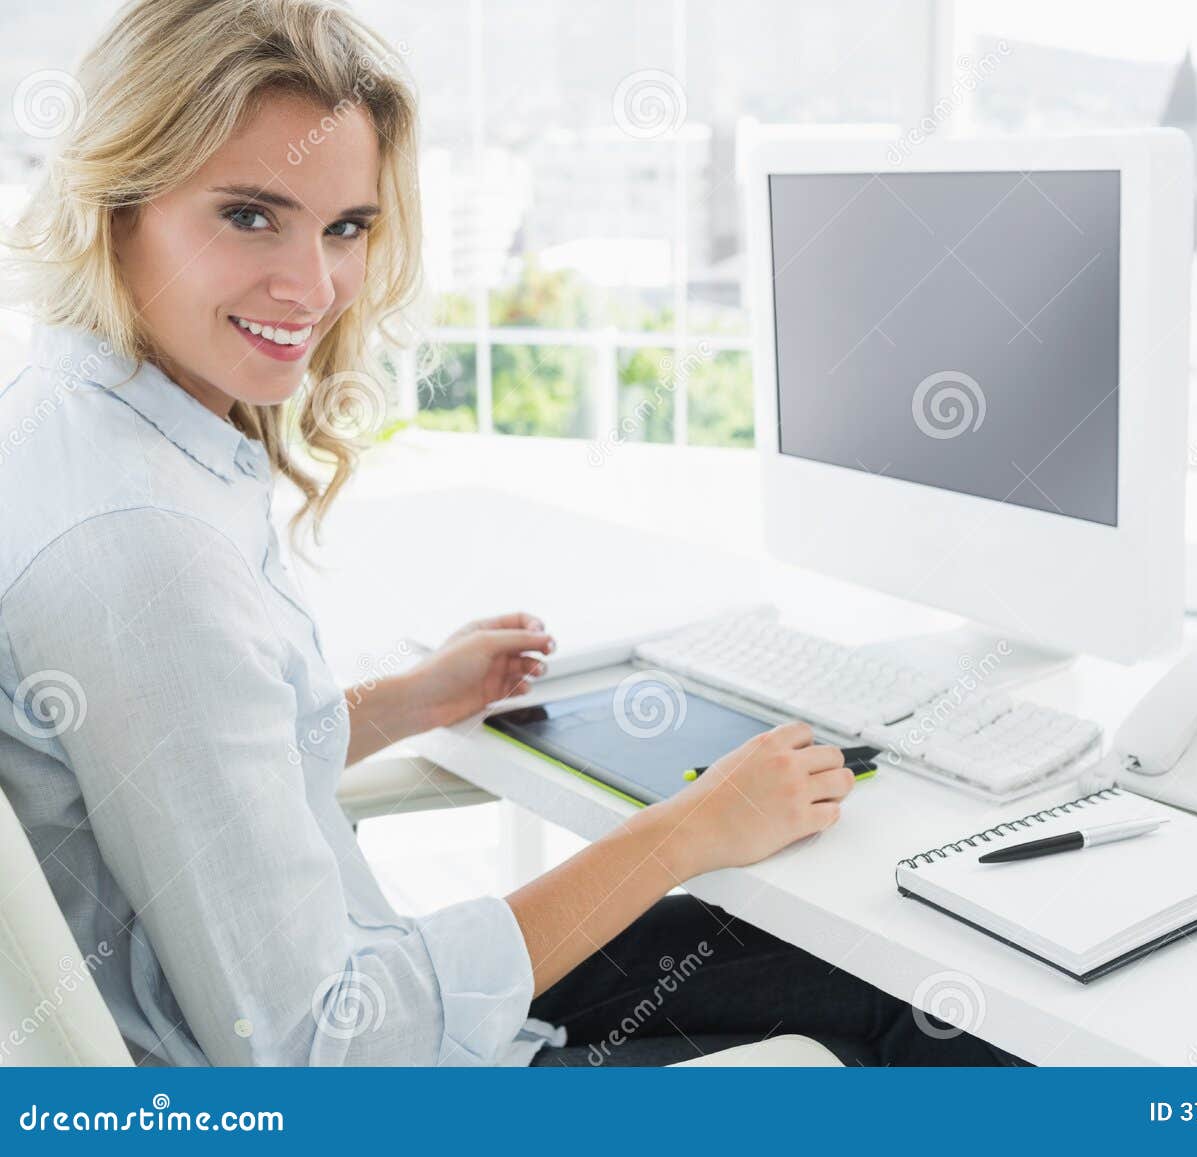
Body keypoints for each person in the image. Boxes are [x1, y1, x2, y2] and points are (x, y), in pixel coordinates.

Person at [0, 0, 1018, 1067]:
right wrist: (689, 830)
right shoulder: (139, 547)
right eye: (250, 215)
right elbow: (320, 1050)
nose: (313, 288)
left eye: (346, 225)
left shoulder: (80, 424)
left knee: (860, 973)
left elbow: (189, 778)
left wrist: (402, 703)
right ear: (116, 205)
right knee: (928, 1006)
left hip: (375, 1012)